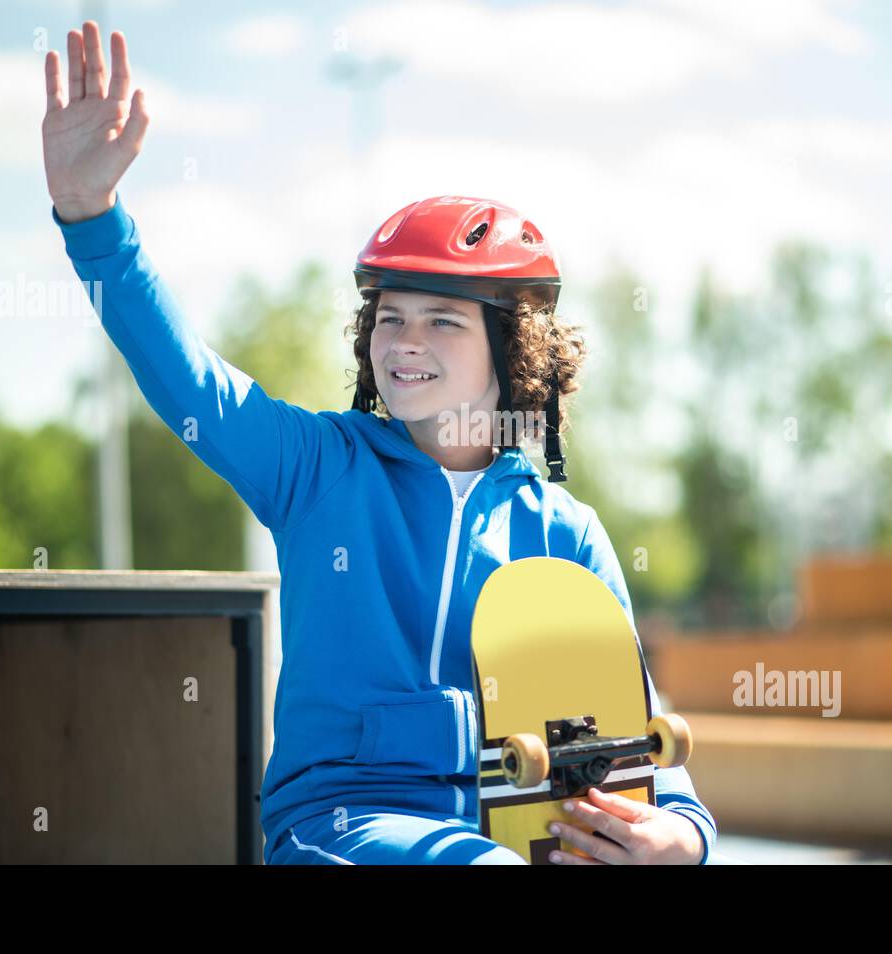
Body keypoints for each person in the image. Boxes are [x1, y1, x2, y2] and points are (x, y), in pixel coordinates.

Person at [43, 21, 718, 865]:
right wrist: (91, 218)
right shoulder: (317, 470)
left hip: (492, 839)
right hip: (337, 828)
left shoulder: (566, 533)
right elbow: (189, 381)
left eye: (441, 321)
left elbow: (641, 736)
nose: (405, 341)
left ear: (514, 354)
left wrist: (682, 837)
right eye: (388, 318)